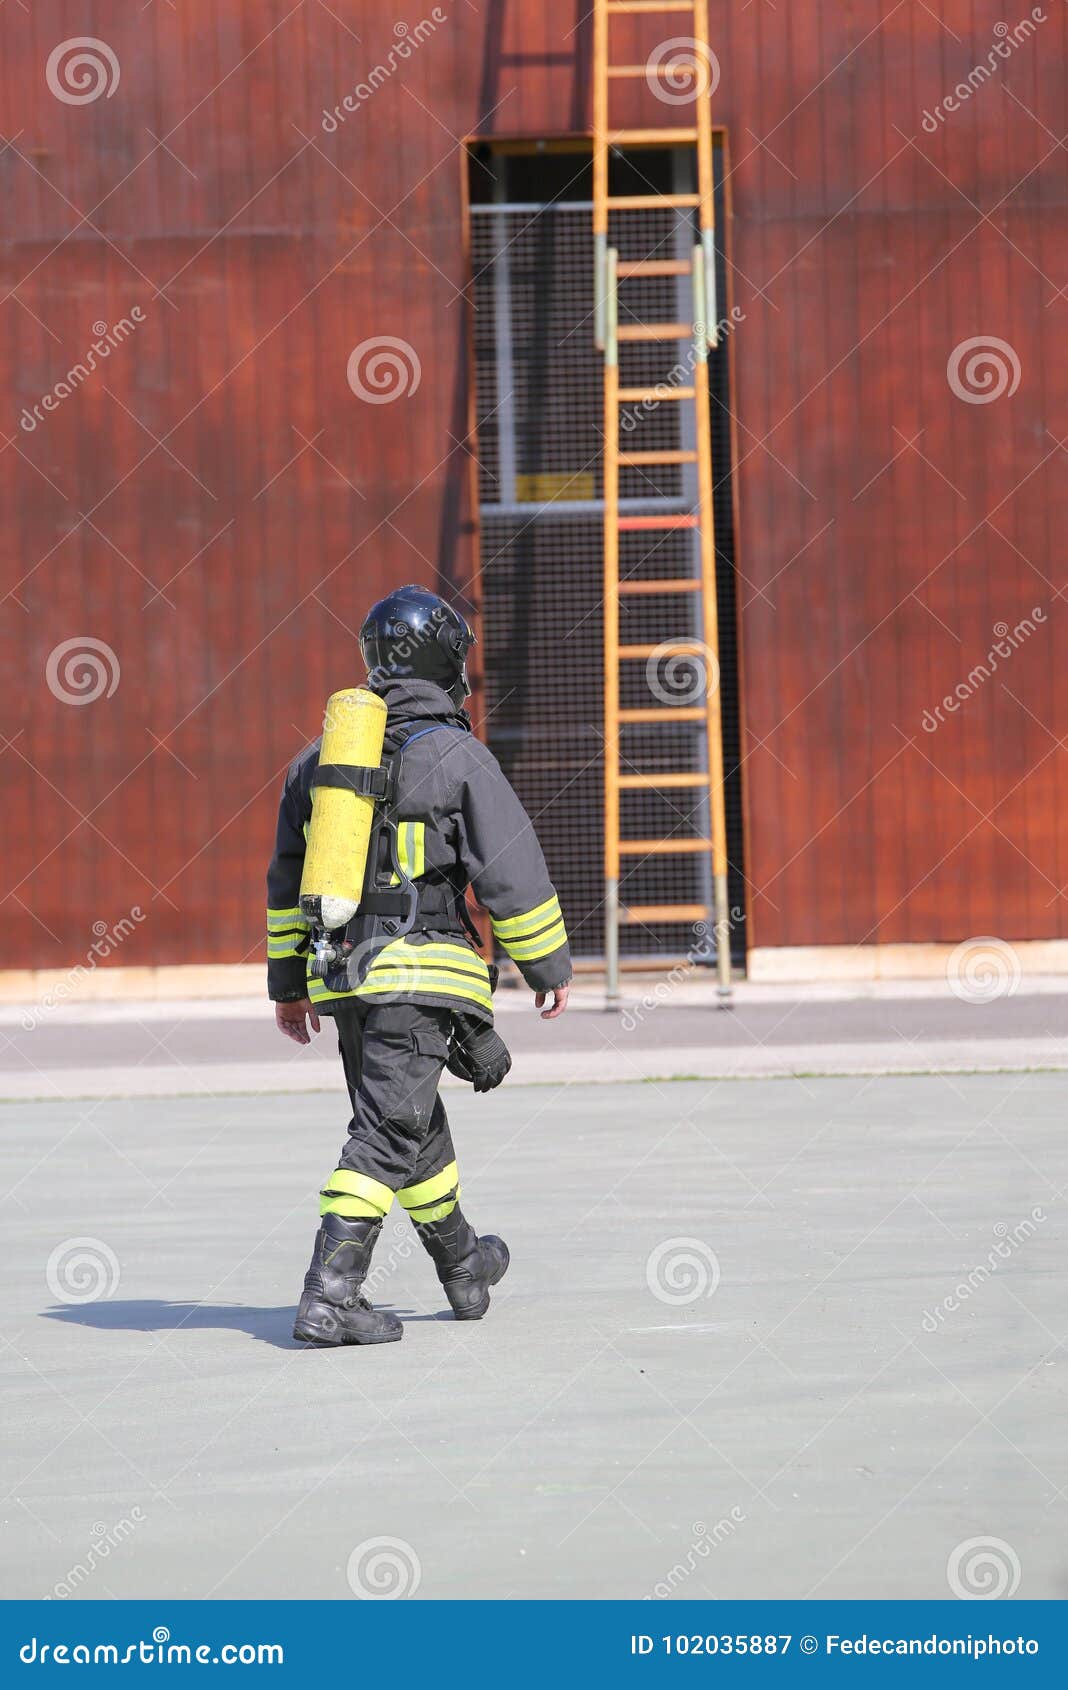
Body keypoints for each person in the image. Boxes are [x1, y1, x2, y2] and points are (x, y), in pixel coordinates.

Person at [266, 584, 571, 1346]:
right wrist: (547, 965)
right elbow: (510, 866)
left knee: (412, 1124)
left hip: (341, 980)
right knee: (383, 1134)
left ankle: (464, 1266)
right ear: (446, 664)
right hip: (419, 976)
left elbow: (285, 883)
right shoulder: (458, 756)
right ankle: (329, 1296)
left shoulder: (314, 765)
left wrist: (286, 987)